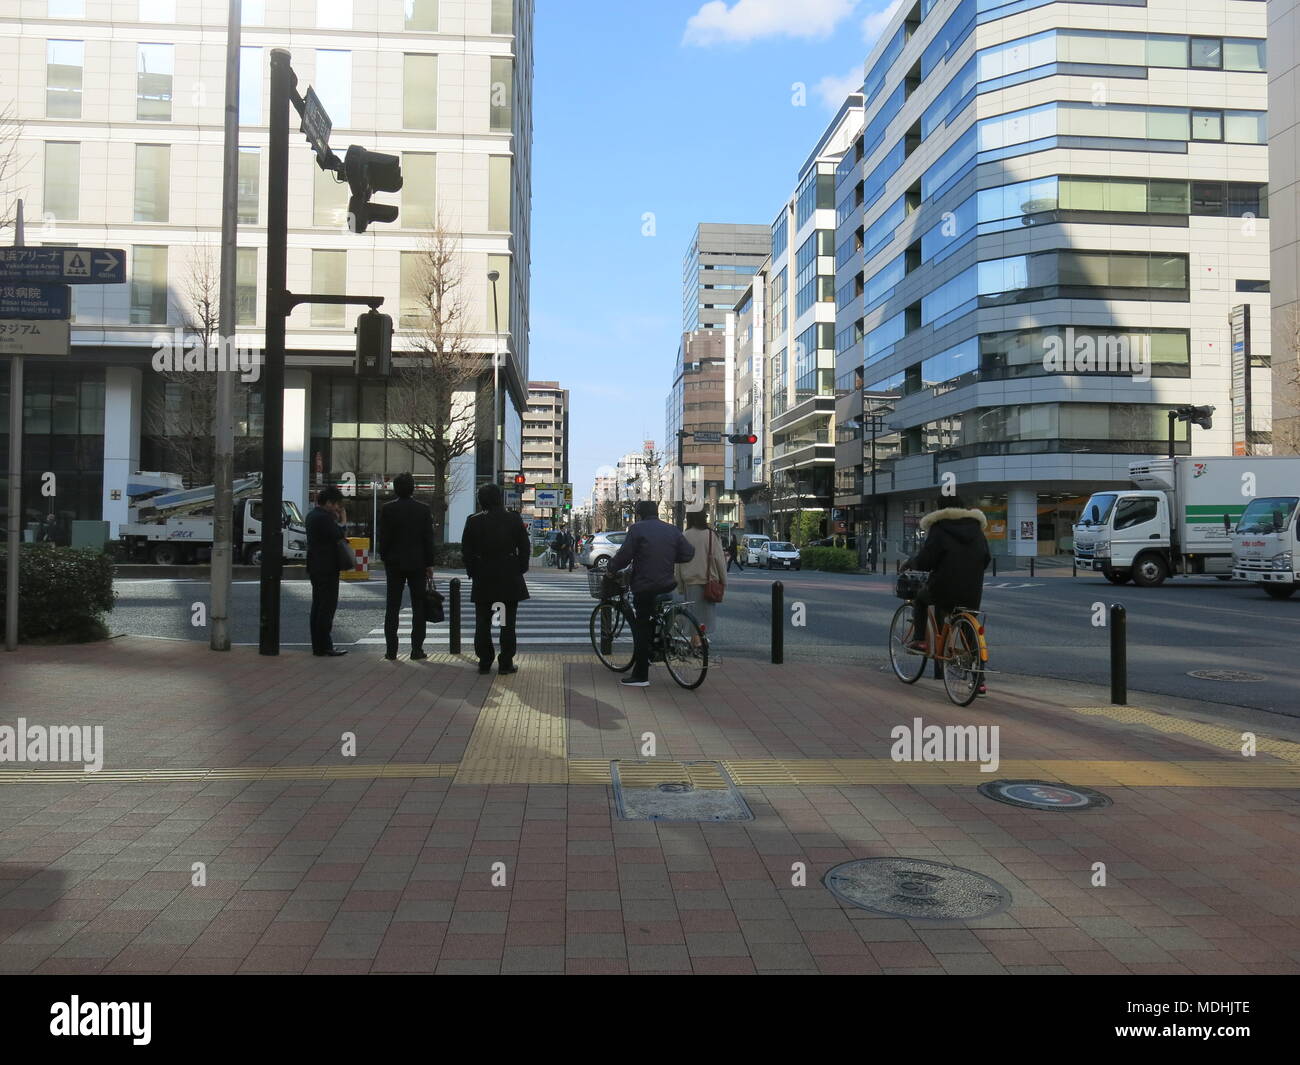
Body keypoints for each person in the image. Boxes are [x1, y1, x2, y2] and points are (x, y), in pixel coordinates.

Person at [905, 496, 991, 692]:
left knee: (920, 600)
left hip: (943, 588)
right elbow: (986, 558)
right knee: (969, 628)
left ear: (939, 508)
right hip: (972, 590)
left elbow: (926, 560)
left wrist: (913, 562)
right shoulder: (976, 528)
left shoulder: (940, 528)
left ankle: (920, 641)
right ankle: (979, 679)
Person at [607, 500, 694, 688]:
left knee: (641, 628)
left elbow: (625, 555)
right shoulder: (672, 529)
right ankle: (659, 647)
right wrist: (669, 556)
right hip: (667, 585)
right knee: (656, 621)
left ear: (640, 514)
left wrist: (611, 568)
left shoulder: (637, 529)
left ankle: (641, 675)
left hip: (645, 587)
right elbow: (688, 553)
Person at [461, 483, 531, 675]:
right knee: (506, 622)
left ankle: (485, 661)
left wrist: (472, 571)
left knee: (483, 621)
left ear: (481, 500)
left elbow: (466, 551)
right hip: (509, 575)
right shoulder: (513, 519)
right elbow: (525, 547)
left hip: (483, 576)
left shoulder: (473, 521)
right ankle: (505, 662)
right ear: (499, 498)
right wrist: (520, 567)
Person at [378, 472, 435, 662]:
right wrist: (429, 563)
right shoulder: (423, 509)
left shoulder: (387, 509)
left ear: (395, 489)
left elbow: (383, 538)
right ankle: (416, 649)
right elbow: (428, 539)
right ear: (413, 488)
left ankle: (391, 650)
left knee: (392, 606)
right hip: (417, 563)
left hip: (394, 563)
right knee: (418, 607)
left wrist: (385, 557)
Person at [305, 486, 349, 657]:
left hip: (316, 566)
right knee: (327, 607)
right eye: (337, 504)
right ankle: (325, 646)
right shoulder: (324, 518)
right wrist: (342, 520)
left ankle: (318, 646)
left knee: (318, 605)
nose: (338, 508)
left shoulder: (312, 516)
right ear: (329, 503)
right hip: (327, 568)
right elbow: (339, 534)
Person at [677, 511, 726, 638]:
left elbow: (678, 563)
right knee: (705, 618)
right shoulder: (711, 535)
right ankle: (700, 643)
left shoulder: (684, 536)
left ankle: (696, 643)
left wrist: (680, 585)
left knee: (691, 616)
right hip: (708, 582)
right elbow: (720, 560)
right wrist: (723, 581)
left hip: (690, 582)